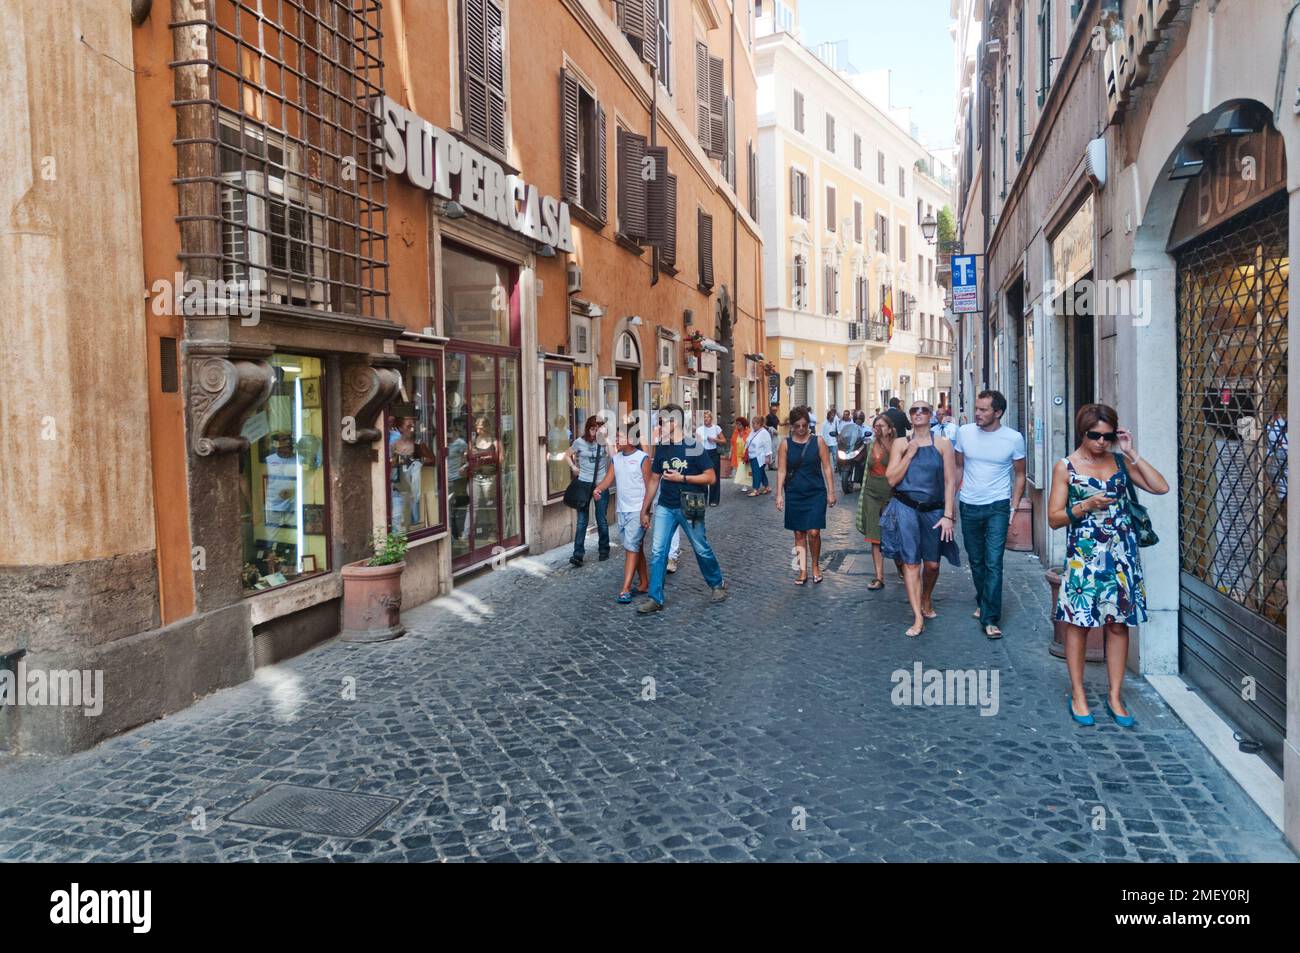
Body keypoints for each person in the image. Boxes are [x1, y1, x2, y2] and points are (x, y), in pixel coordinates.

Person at [1049, 404, 1168, 727]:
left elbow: (1161, 487)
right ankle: (1078, 694)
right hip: (1085, 558)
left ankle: (1115, 695)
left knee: (1118, 624)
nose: (1102, 442)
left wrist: (1132, 453)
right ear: (1082, 432)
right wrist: (1087, 504)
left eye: (1108, 436)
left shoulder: (1119, 461)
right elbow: (1054, 518)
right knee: (1080, 625)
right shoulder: (1066, 467)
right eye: (1095, 435)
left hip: (1121, 556)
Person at [637, 404, 728, 614]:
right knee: (659, 551)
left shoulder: (693, 446)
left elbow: (711, 477)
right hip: (666, 507)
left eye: (662, 422)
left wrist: (683, 478)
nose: (658, 426)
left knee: (700, 547)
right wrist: (645, 509)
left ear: (674, 423)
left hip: (690, 506)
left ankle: (717, 584)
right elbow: (654, 480)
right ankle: (655, 598)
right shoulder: (662, 447)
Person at [881, 400, 960, 637]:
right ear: (910, 416)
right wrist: (909, 454)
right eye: (914, 410)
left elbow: (949, 481)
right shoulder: (900, 443)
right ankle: (917, 617)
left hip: (934, 511)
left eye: (923, 410)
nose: (918, 413)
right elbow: (891, 479)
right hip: (905, 508)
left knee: (933, 565)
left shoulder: (943, 444)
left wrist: (948, 515)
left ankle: (926, 597)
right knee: (911, 563)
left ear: (931, 416)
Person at [954, 390, 1026, 640]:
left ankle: (990, 618)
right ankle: (983, 600)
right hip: (969, 505)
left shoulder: (1013, 438)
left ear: (998, 413)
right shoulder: (963, 433)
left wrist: (1014, 508)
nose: (977, 413)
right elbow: (959, 466)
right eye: (977, 408)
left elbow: (1019, 475)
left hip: (997, 505)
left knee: (993, 561)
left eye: (983, 410)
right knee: (975, 560)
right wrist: (949, 504)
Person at [592, 418, 652, 603]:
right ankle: (644, 583)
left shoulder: (642, 458)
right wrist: (599, 488)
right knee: (636, 546)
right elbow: (609, 479)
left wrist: (646, 512)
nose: (616, 440)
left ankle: (625, 589)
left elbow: (650, 486)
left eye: (620, 437)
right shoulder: (616, 459)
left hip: (637, 510)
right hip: (622, 510)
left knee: (631, 547)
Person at [777, 406, 837, 584]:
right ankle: (802, 571)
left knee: (813, 532)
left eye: (805, 425)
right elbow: (781, 471)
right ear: (792, 426)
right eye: (798, 426)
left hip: (816, 492)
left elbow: (827, 467)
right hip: (795, 492)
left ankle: (815, 565)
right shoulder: (785, 444)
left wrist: (831, 491)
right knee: (798, 534)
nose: (802, 429)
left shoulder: (818, 442)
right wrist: (779, 494)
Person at [855, 414, 902, 590]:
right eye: (876, 426)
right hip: (871, 493)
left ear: (890, 429)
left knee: (894, 534)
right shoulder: (869, 445)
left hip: (892, 494)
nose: (878, 428)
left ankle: (901, 566)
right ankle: (879, 577)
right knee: (875, 537)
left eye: (882, 426)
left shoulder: (897, 445)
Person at [566, 415, 611, 567]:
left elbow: (614, 456)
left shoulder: (604, 443)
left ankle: (604, 550)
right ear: (587, 428)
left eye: (598, 430)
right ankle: (578, 554)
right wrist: (573, 467)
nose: (594, 432)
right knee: (581, 521)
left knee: (601, 519)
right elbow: (567, 454)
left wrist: (607, 439)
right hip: (584, 485)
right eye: (592, 429)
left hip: (601, 485)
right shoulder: (579, 442)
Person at [388, 404, 437, 534]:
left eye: (413, 426)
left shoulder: (417, 444)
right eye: (408, 426)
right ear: (400, 427)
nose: (412, 428)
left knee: (407, 519)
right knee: (397, 518)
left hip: (410, 490)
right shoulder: (393, 443)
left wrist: (418, 461)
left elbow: (432, 460)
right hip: (396, 487)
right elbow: (387, 465)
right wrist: (396, 461)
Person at [696, 410, 725, 507]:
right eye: (704, 417)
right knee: (702, 476)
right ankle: (703, 499)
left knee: (714, 475)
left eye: (707, 417)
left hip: (713, 453)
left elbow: (724, 440)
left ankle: (714, 499)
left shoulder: (716, 428)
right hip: (703, 453)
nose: (706, 419)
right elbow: (697, 443)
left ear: (711, 418)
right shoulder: (699, 429)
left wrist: (715, 440)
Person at [745, 416, 773, 496]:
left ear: (760, 424)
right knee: (761, 472)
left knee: (756, 473)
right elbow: (748, 440)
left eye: (754, 423)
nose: (753, 425)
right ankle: (767, 487)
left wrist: (767, 456)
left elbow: (767, 444)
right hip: (752, 456)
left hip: (760, 456)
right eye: (752, 423)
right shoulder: (753, 432)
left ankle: (755, 489)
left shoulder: (764, 433)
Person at [730, 415, 751, 492]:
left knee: (746, 470)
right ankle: (744, 484)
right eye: (737, 424)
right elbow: (732, 443)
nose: (737, 426)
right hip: (737, 454)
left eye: (739, 424)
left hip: (745, 454)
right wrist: (730, 452)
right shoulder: (735, 432)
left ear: (743, 425)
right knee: (740, 470)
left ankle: (746, 484)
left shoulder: (748, 432)